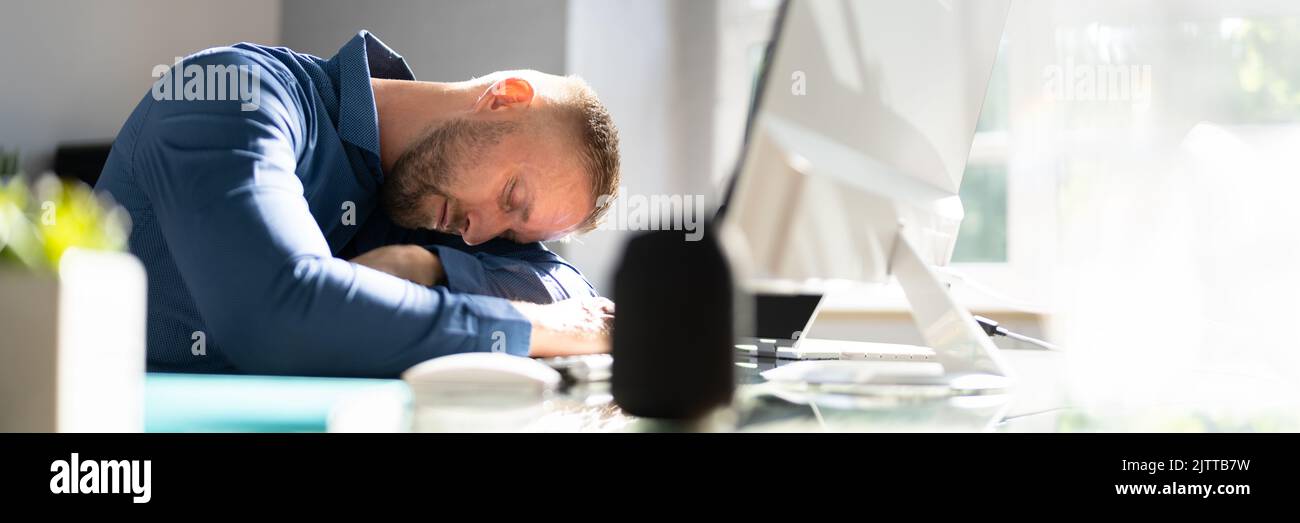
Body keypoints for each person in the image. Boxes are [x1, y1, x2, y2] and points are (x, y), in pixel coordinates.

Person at [95, 31, 620, 377]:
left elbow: (569, 289)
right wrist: (548, 328)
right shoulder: (232, 94)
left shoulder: (433, 209)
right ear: (504, 99)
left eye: (509, 234)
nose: (477, 234)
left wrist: (430, 267)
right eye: (511, 197)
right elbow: (283, 316)